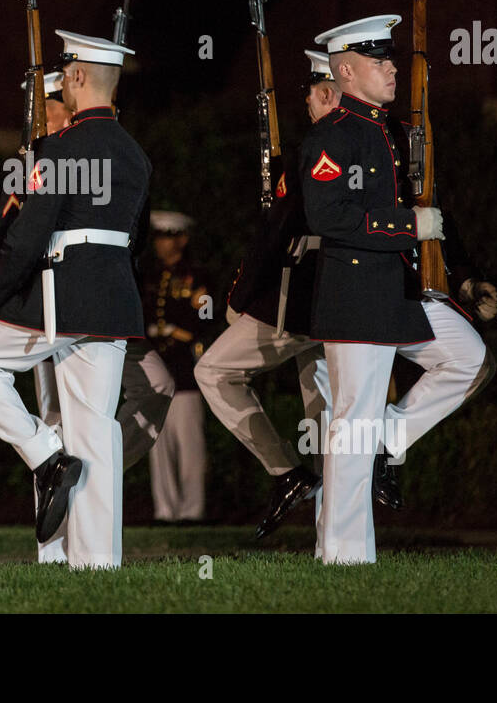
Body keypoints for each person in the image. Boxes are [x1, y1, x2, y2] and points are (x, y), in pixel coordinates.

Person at [300, 15, 495, 564]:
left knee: (468, 358)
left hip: (395, 292)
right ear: (345, 70)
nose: (391, 67)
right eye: (378, 60)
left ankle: (391, 437)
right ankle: (342, 553)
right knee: (352, 422)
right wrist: (410, 226)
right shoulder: (333, 136)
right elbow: (329, 215)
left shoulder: (385, 132)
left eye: (389, 58)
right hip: (357, 292)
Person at [0, 29, 151, 569]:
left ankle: (44, 455)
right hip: (113, 300)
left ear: (80, 77)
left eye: (66, 76)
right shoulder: (135, 154)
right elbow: (133, 239)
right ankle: (98, 561)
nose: (62, 85)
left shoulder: (65, 147)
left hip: (61, 294)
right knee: (95, 426)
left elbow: (28, 233)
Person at [24, 73, 172, 562]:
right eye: (43, 113)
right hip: (48, 302)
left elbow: (135, 232)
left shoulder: (101, 154)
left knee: (150, 391)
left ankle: (88, 476)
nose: (49, 120)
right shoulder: (42, 162)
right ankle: (54, 546)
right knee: (54, 416)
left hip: (105, 305)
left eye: (54, 109)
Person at [195, 51, 339, 540]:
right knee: (323, 408)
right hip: (348, 295)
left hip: (303, 297)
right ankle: (333, 535)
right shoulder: (379, 141)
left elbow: (274, 234)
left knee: (212, 371)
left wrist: (240, 295)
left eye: (312, 94)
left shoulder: (315, 148)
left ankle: (285, 472)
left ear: (325, 93)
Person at [142, 210, 212, 523]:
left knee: (190, 446)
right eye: (158, 237)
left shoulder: (196, 276)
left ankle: (192, 510)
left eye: (168, 236)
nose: (162, 243)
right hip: (157, 369)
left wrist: (175, 331)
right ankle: (165, 509)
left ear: (182, 239)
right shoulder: (151, 276)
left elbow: (204, 319)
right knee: (158, 445)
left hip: (185, 372)